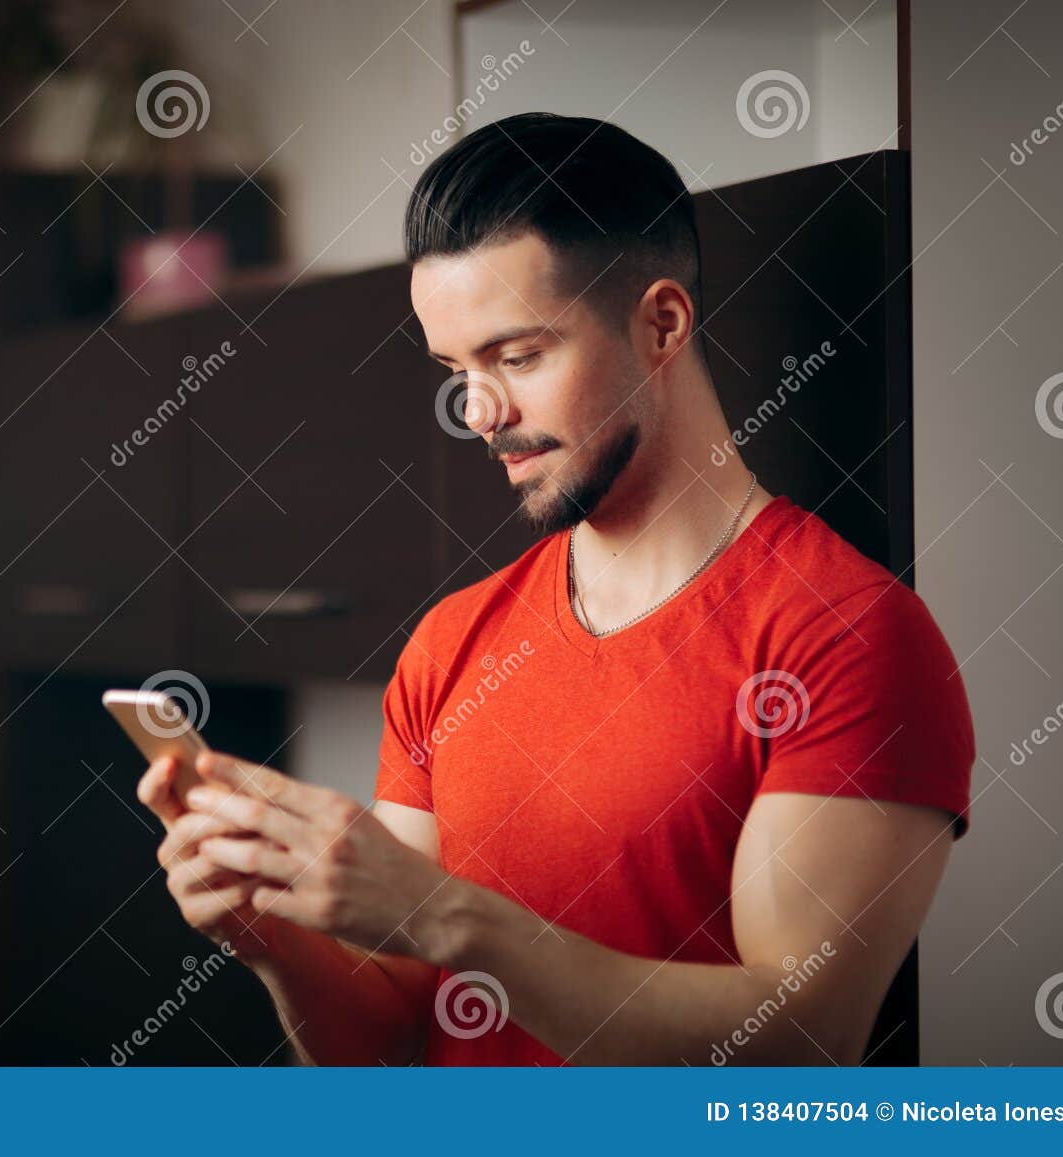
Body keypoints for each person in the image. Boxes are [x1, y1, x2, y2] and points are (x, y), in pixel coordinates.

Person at [136, 112, 974, 1066]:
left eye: (517, 356)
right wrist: (278, 942)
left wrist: (445, 914)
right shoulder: (451, 643)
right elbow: (392, 1036)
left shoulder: (846, 636)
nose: (478, 411)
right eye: (455, 369)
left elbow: (800, 1044)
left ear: (661, 324)